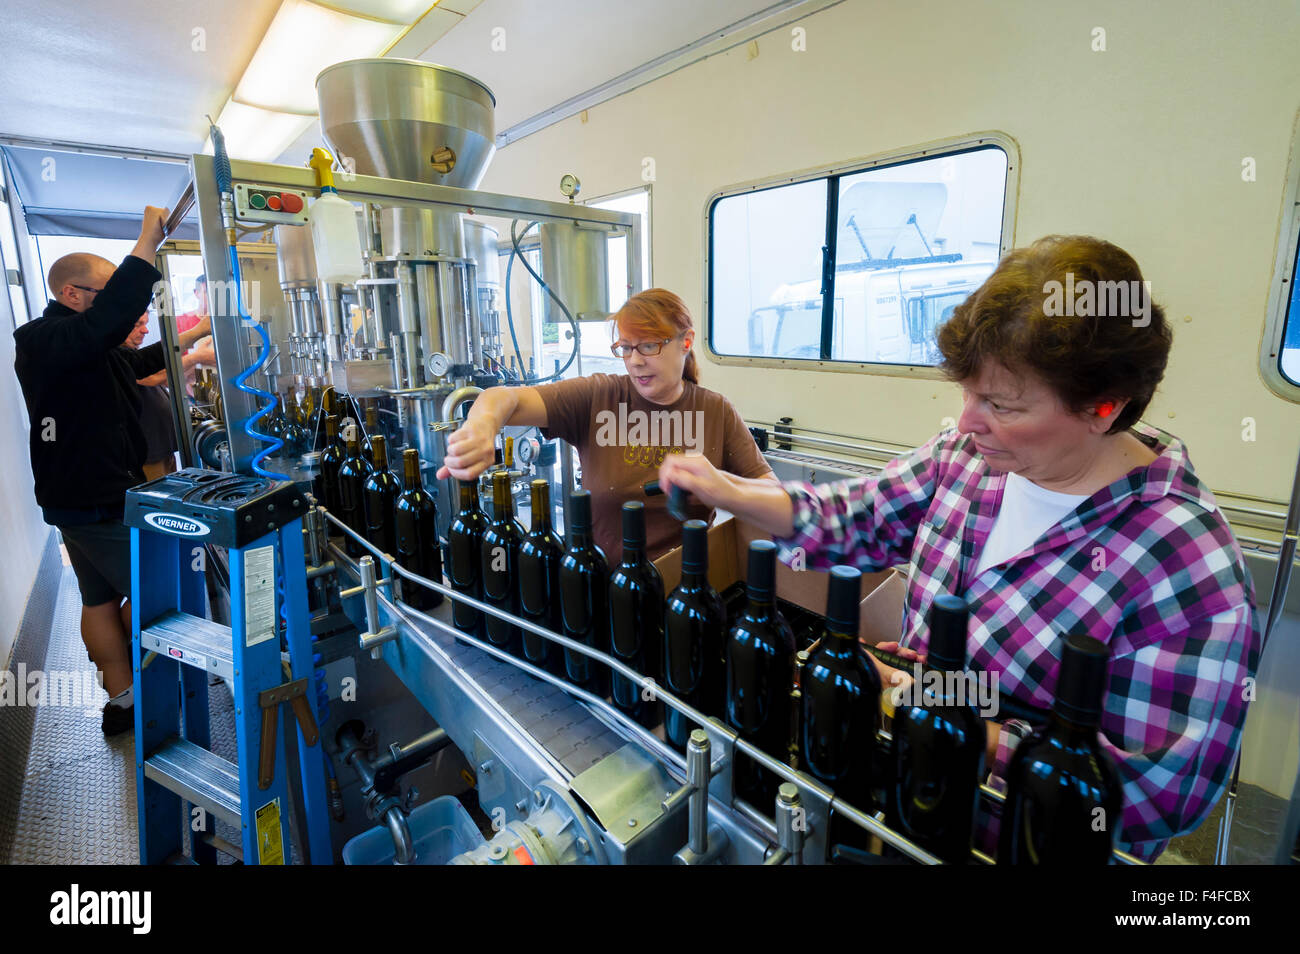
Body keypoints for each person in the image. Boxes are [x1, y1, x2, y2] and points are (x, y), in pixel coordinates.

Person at [657, 236, 1261, 861]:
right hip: (907, 814)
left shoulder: (1189, 570)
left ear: (1103, 410)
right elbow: (860, 518)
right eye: (967, 392)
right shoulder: (969, 459)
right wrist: (732, 489)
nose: (966, 420)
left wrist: (951, 711)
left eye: (1000, 404)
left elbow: (1160, 795)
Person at [14, 207, 212, 736]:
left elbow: (138, 362)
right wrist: (148, 240)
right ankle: (166, 702)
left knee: (99, 599)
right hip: (93, 501)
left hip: (80, 502)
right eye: (104, 297)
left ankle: (124, 701)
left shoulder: (82, 348)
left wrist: (198, 333)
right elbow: (113, 320)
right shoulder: (42, 339)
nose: (119, 313)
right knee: (155, 596)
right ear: (72, 295)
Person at [436, 288, 776, 560]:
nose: (635, 361)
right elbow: (503, 398)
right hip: (602, 589)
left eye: (648, 345)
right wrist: (481, 427)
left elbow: (775, 497)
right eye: (625, 348)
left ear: (685, 342)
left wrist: (723, 485)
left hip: (688, 589)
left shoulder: (715, 412)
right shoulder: (598, 397)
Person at [122, 313, 215, 479]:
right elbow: (154, 377)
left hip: (164, 447)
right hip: (149, 453)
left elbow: (164, 377)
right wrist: (197, 356)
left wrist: (189, 372)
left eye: (146, 323)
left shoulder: (134, 353)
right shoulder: (120, 359)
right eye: (138, 324)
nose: (145, 330)